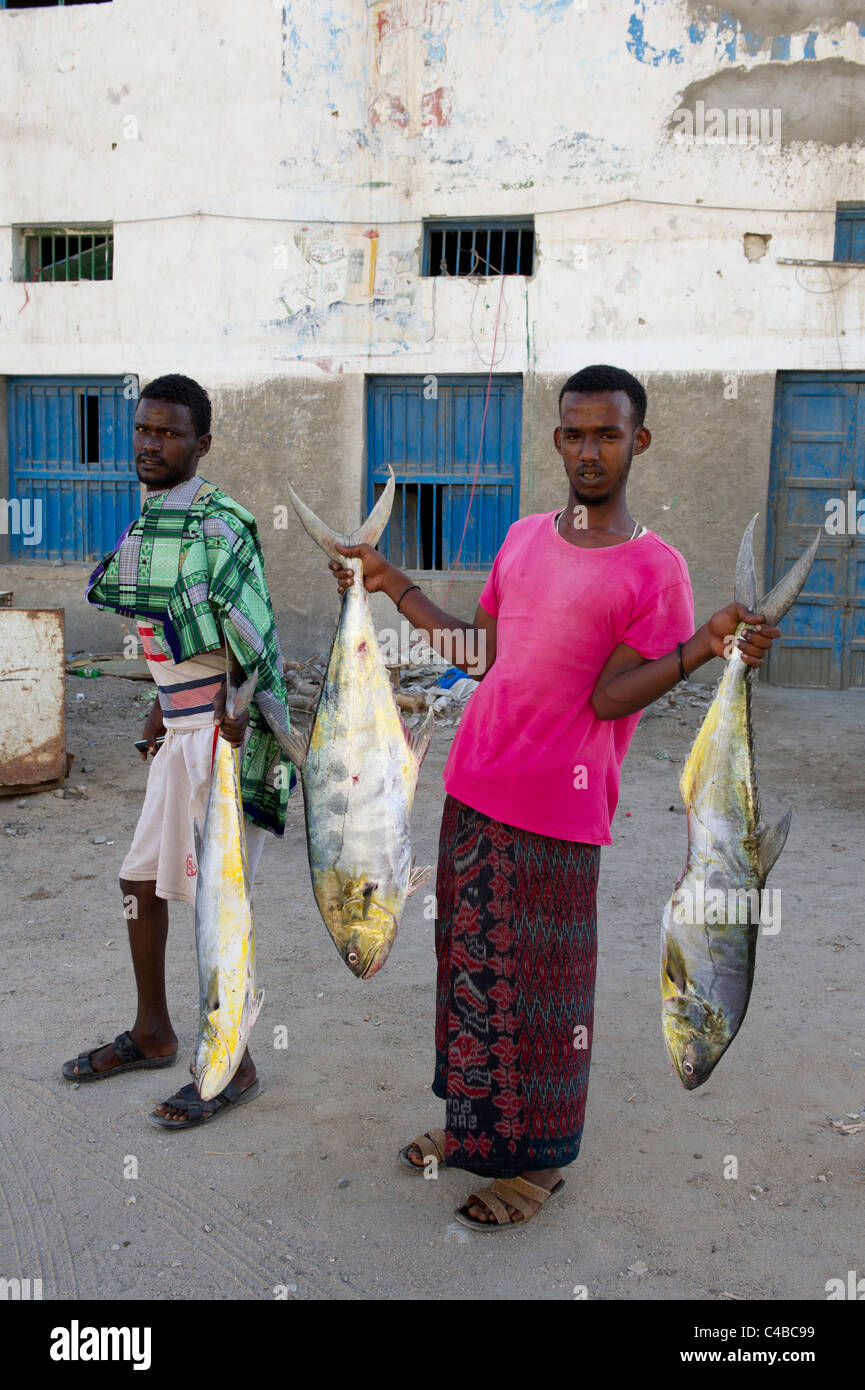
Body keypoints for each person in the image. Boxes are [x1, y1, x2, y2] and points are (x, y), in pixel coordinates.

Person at [329, 363, 782, 1230]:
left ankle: (537, 1167)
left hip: (559, 812)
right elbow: (484, 654)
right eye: (573, 433)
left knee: (544, 992)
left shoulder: (657, 570)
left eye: (606, 434)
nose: (588, 450)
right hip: (473, 789)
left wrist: (699, 648)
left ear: (636, 442)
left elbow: (609, 697)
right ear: (556, 440)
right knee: (468, 976)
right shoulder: (523, 538)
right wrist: (388, 583)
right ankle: (474, 1127)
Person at [61, 374, 295, 1128]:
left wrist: (234, 715)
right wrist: (159, 707)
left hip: (224, 742)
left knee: (220, 906)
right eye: (142, 430)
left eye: (166, 433)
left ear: (201, 443)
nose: (149, 444)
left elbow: (256, 642)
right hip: (180, 735)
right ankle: (153, 1031)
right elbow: (173, 636)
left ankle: (235, 1060)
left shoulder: (222, 524)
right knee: (139, 884)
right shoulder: (153, 519)